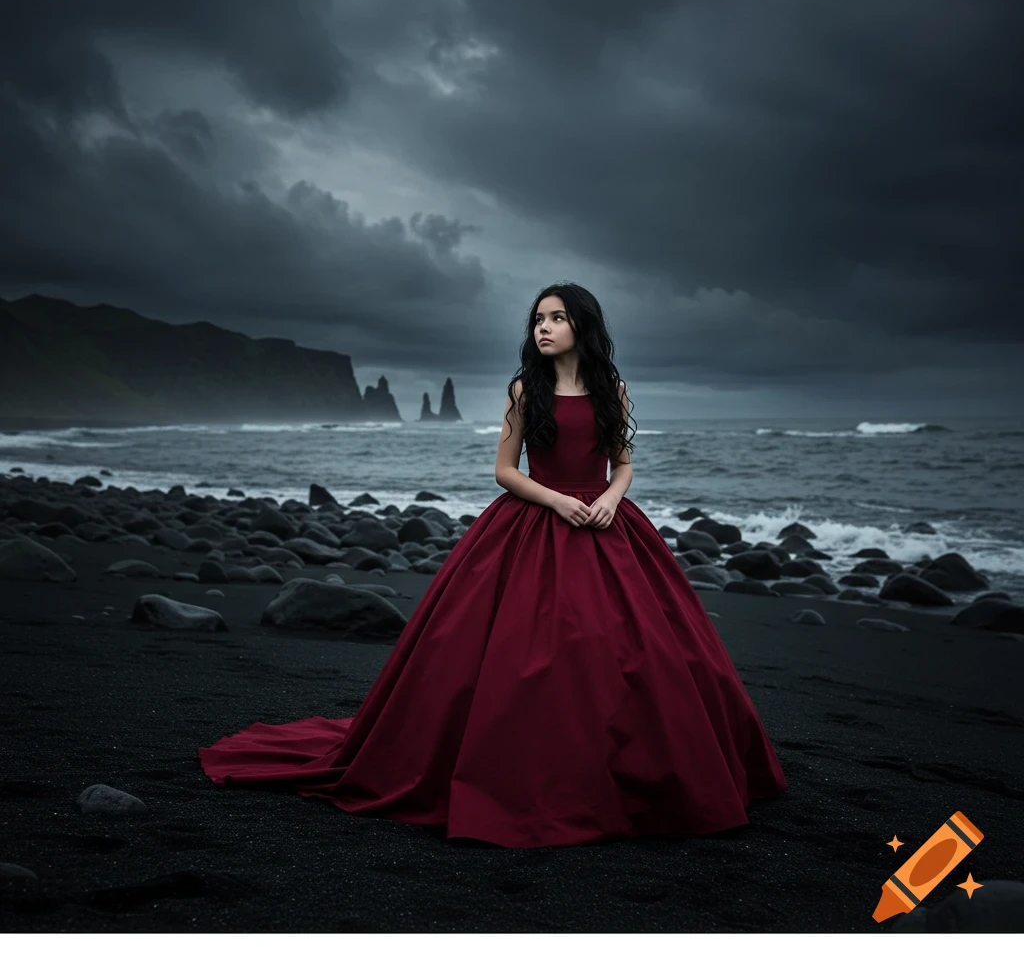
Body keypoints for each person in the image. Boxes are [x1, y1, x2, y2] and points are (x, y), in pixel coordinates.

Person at [198, 282, 788, 849]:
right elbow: (505, 471)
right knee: (517, 654)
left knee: (641, 650)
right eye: (538, 320)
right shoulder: (523, 391)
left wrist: (608, 500)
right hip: (534, 519)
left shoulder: (614, 388)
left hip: (607, 523)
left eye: (556, 318)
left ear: (583, 327)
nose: (545, 329)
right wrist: (558, 500)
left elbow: (623, 467)